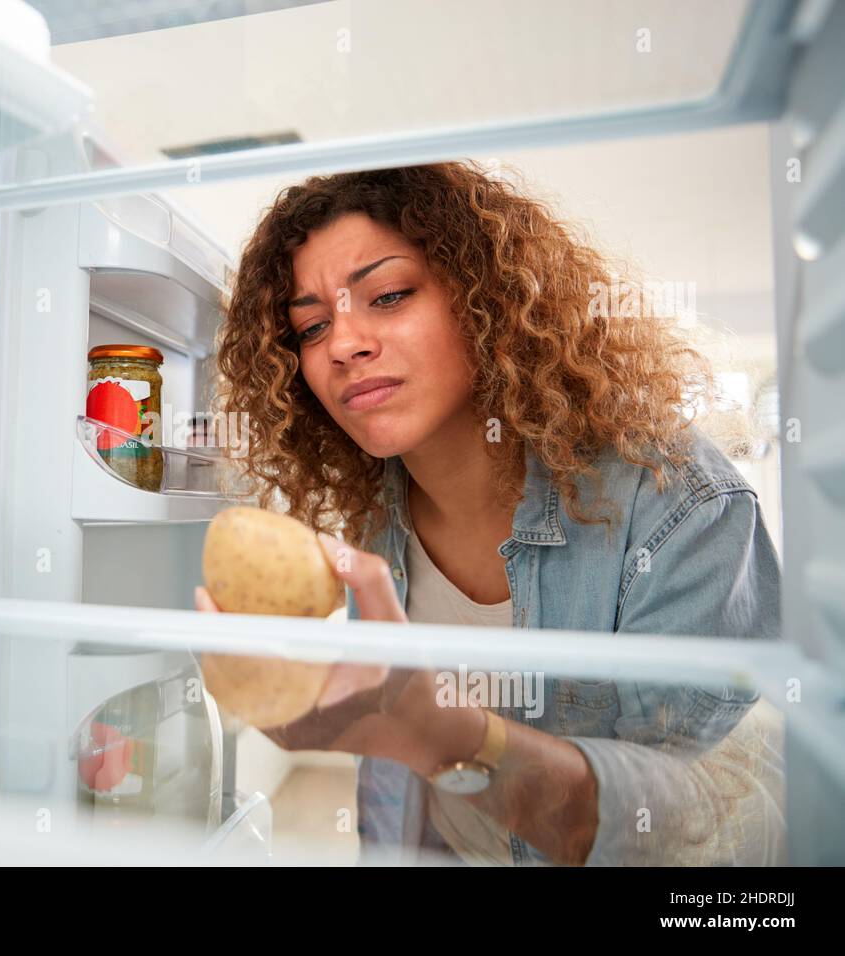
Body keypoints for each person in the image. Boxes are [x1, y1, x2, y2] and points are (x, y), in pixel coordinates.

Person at [194, 162, 785, 866]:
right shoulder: (377, 519)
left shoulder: (678, 499)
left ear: (490, 300)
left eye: (386, 296)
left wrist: (441, 733)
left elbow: (673, 833)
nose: (344, 345)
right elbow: (401, 793)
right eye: (312, 326)